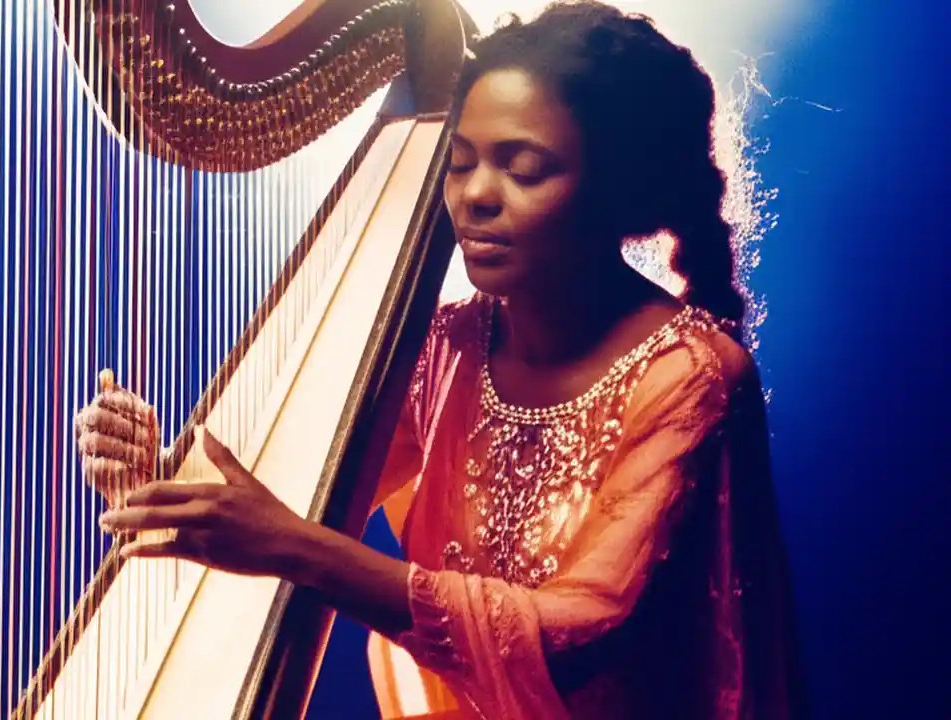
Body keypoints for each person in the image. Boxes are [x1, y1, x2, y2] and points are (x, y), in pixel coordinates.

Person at [74, 2, 804, 717]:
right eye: (460, 163)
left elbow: (582, 633)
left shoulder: (692, 375)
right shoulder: (448, 349)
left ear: (624, 194)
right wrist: (159, 481)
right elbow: (287, 511)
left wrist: (293, 546)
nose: (476, 196)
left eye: (524, 169)